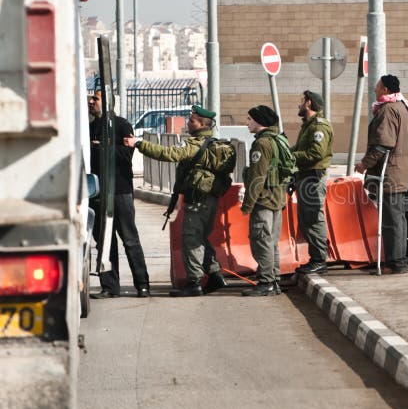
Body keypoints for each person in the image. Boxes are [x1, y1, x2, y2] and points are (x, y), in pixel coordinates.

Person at [122, 105, 227, 297]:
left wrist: (139, 144)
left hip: (197, 201)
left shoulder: (195, 144)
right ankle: (214, 275)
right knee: (200, 238)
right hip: (208, 200)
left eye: (193, 120)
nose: (189, 122)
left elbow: (168, 154)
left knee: (191, 240)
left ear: (203, 124)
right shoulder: (210, 142)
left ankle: (194, 283)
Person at [88, 90, 151, 298]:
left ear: (106, 103)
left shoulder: (122, 125)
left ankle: (142, 284)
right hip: (98, 193)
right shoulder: (90, 128)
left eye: (95, 99)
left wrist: (101, 148)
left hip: (120, 192)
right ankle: (110, 286)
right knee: (105, 242)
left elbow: (126, 154)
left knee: (130, 240)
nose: (90, 101)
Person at [355, 75, 408, 274]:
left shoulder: (388, 110)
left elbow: (383, 144)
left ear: (386, 90)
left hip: (391, 172)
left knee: (392, 220)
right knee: (398, 218)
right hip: (399, 170)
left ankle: (396, 262)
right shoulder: (401, 107)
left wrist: (364, 164)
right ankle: (399, 260)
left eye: (378, 86)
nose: (375, 90)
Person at [240, 105, 286, 296]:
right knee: (271, 241)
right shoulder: (277, 139)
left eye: (249, 119)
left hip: (264, 199)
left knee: (261, 240)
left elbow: (257, 177)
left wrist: (247, 204)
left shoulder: (261, 144)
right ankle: (273, 280)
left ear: (259, 121)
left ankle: (266, 281)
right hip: (276, 197)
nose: (246, 122)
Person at [292, 90, 334, 275]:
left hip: (313, 178)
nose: (299, 104)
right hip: (305, 177)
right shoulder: (308, 126)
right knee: (306, 219)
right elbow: (300, 149)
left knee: (314, 219)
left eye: (302, 101)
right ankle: (315, 258)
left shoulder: (319, 127)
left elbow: (316, 154)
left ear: (309, 103)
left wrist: (291, 156)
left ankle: (319, 260)